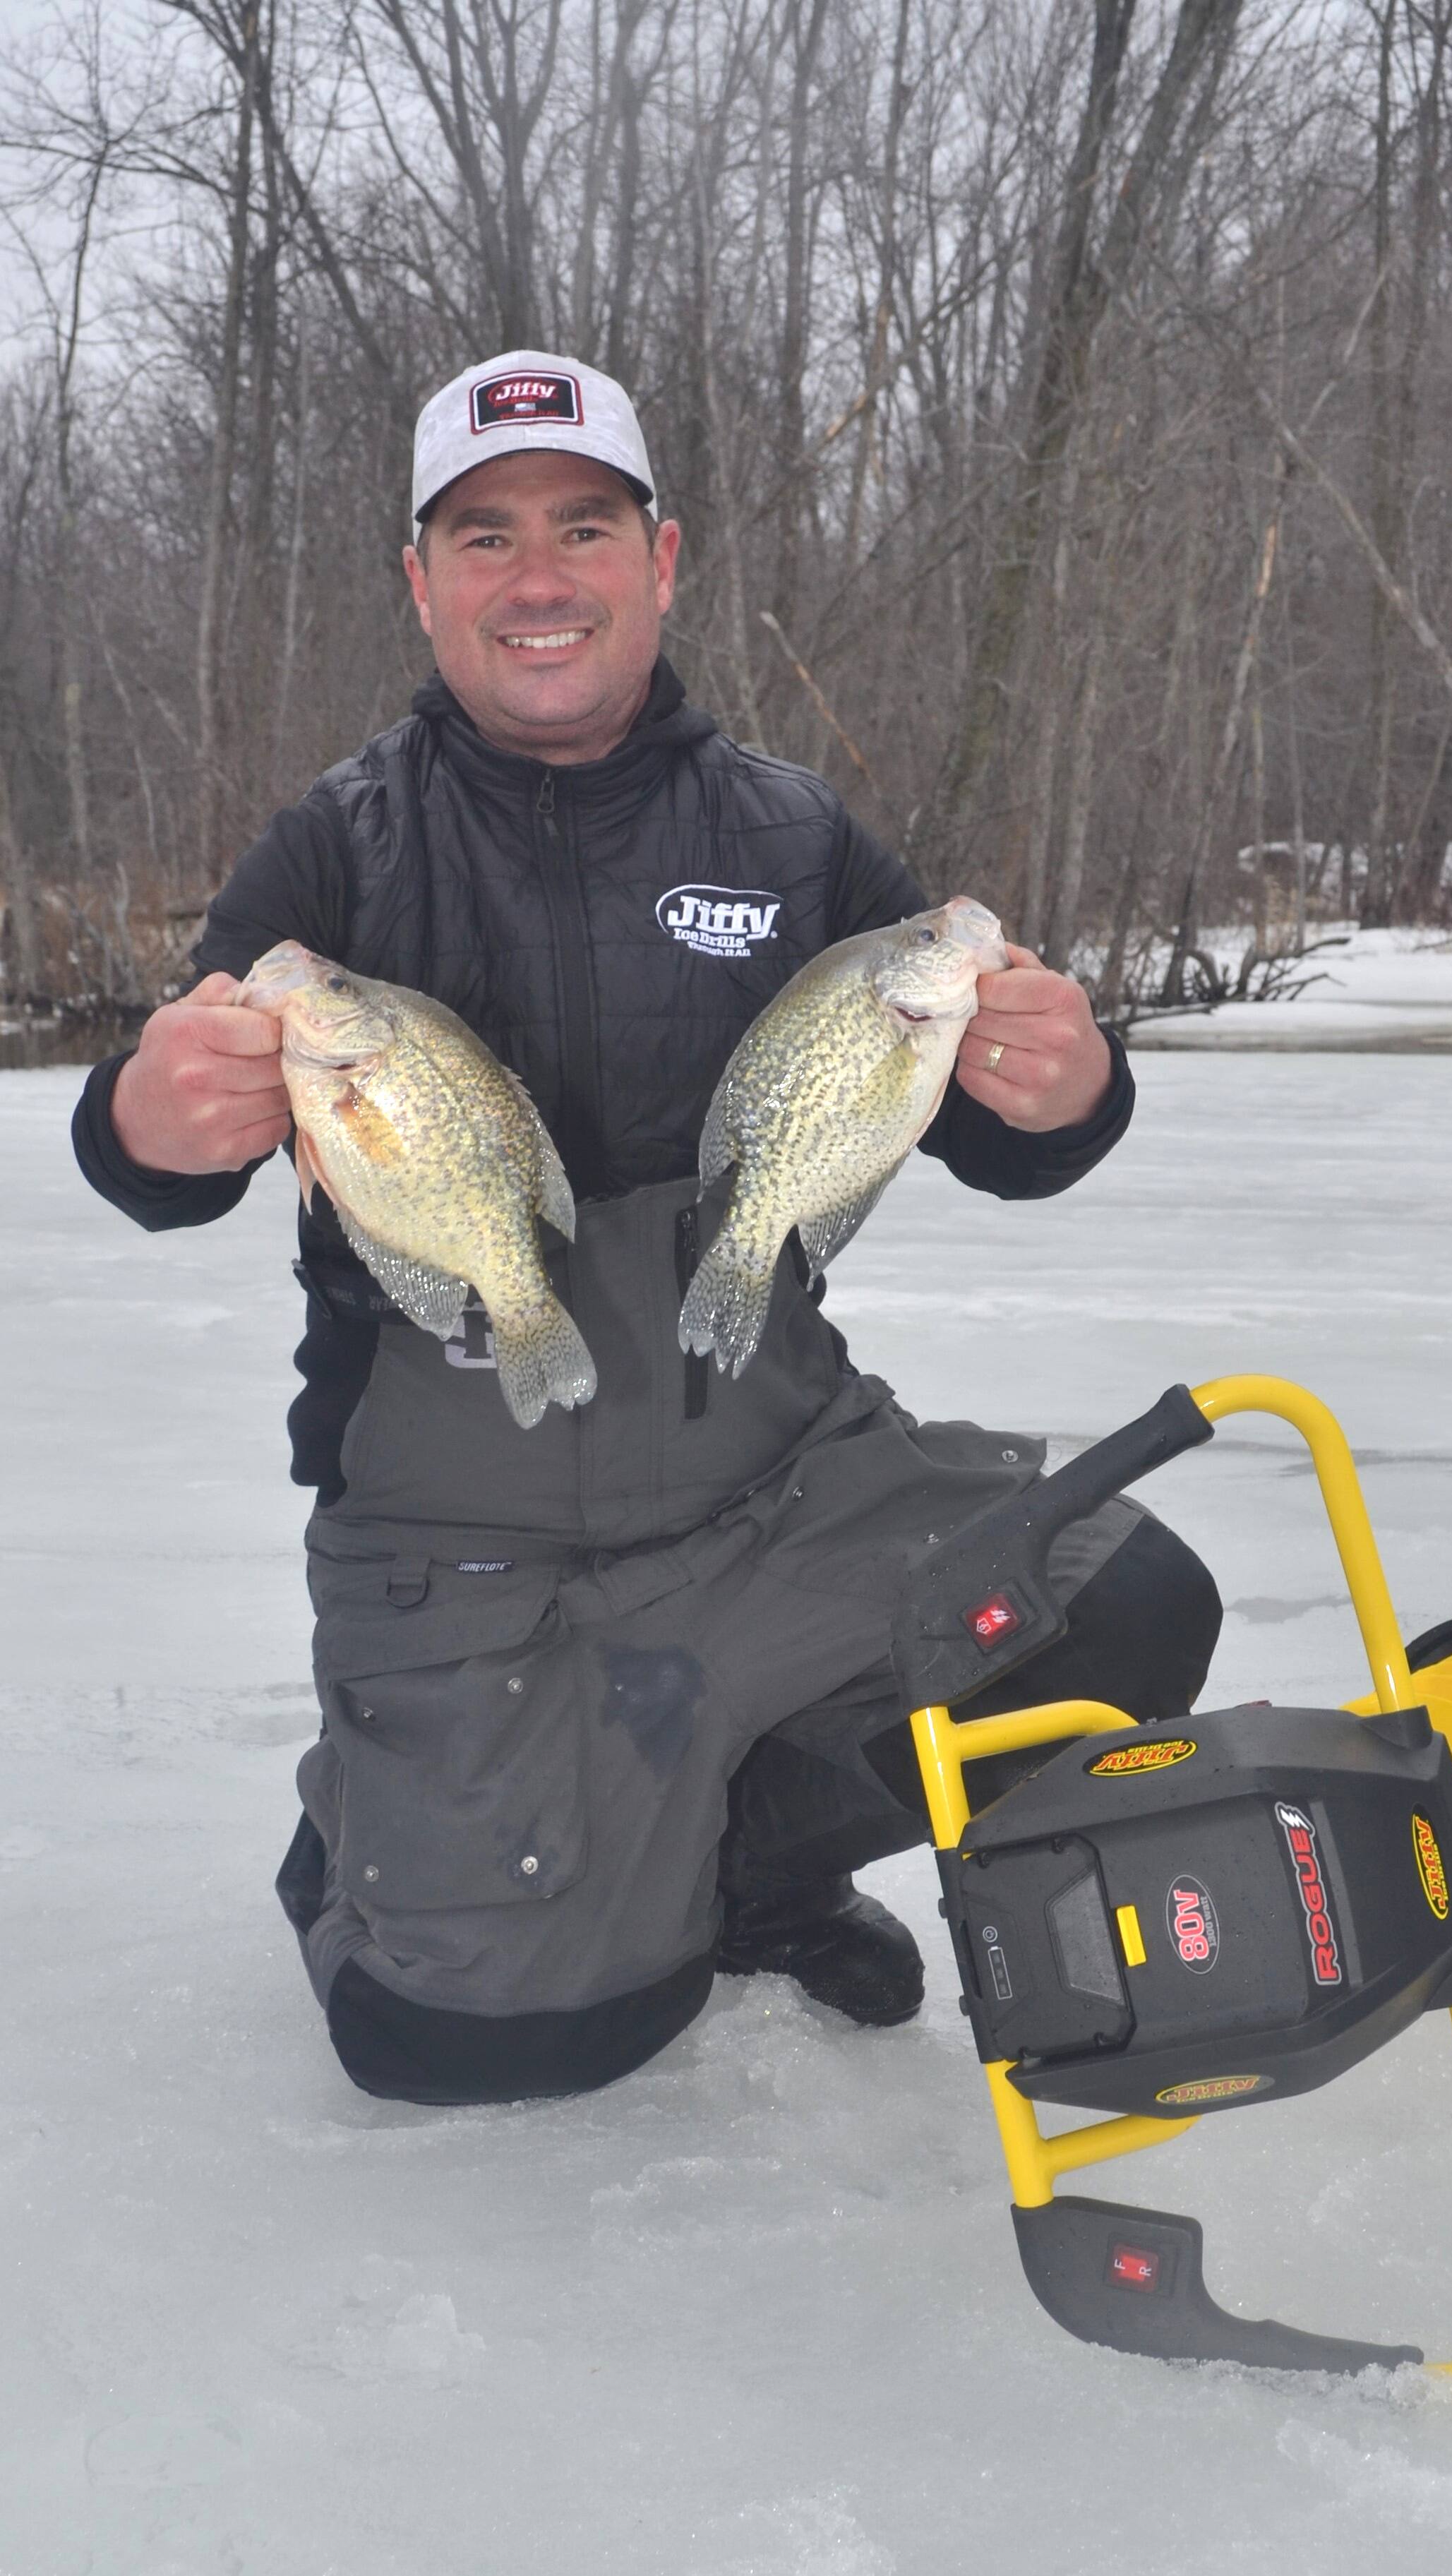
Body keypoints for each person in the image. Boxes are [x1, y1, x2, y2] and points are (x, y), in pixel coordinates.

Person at [73, 351, 1221, 2107]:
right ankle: (381, 1828)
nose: (539, 577)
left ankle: (741, 1871)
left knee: (1122, 1604)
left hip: (772, 1476)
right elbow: (160, 1152)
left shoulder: (790, 831)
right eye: (485, 535)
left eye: (582, 526)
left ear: (660, 560)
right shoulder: (334, 850)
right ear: (423, 582)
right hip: (467, 1528)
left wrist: (1065, 1088)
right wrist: (152, 1121)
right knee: (456, 2048)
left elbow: (993, 1138)